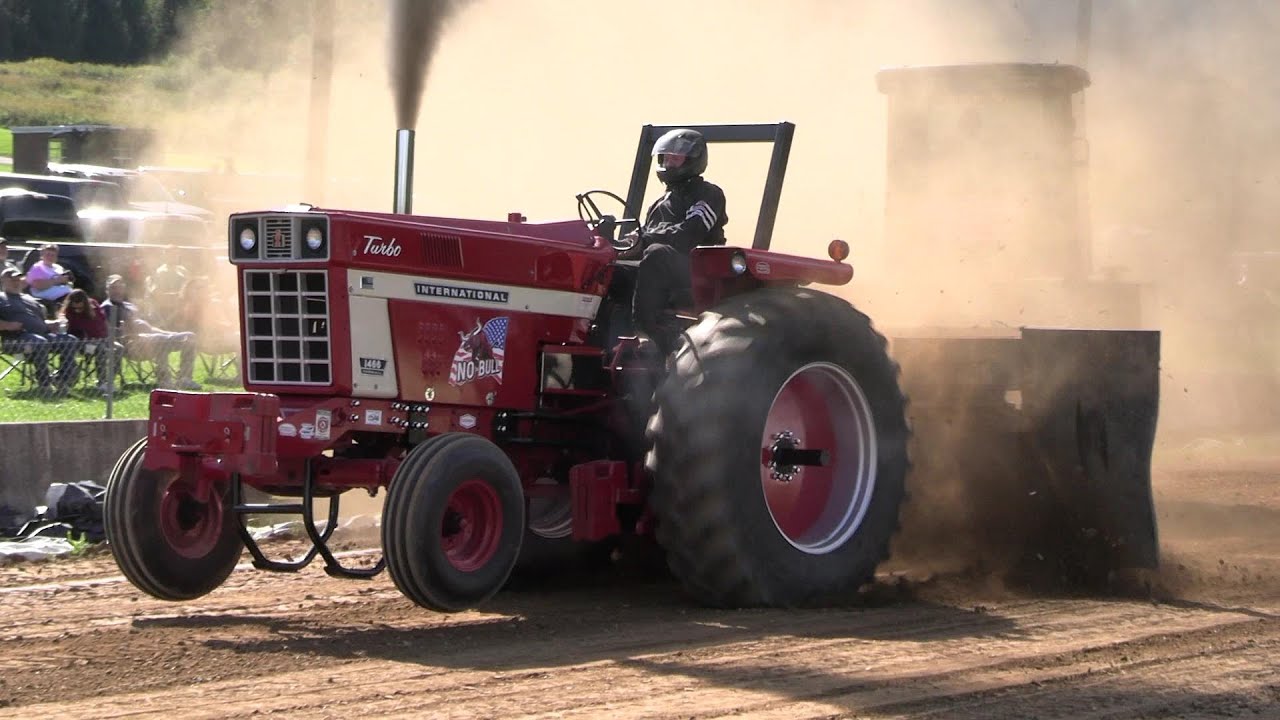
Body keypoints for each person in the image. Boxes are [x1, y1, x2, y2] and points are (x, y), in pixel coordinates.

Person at [617, 128, 728, 354]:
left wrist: (645, 239)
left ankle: (645, 332)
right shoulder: (659, 203)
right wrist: (624, 245)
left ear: (693, 161)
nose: (668, 164)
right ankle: (603, 335)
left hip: (698, 271)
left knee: (657, 253)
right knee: (611, 268)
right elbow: (646, 236)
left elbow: (689, 235)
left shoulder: (709, 194)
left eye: (675, 159)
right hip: (662, 270)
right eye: (666, 158)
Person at [101, 274, 201, 390]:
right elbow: (109, 331)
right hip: (133, 344)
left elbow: (148, 327)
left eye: (120, 287)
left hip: (151, 335)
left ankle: (185, 378)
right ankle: (164, 380)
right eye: (114, 288)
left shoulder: (129, 305)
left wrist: (167, 333)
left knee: (189, 337)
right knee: (160, 341)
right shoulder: (107, 307)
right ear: (107, 290)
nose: (117, 290)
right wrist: (125, 331)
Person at [0, 266, 79, 393]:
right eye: (12, 280)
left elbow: (41, 321)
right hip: (15, 339)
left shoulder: (29, 299)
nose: (16, 282)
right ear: (3, 280)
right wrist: (7, 325)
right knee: (40, 342)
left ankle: (62, 379)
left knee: (69, 340)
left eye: (18, 279)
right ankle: (44, 383)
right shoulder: (1, 298)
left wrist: (52, 324)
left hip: (42, 336)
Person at [61, 289, 123, 394]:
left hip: (103, 339)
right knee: (101, 349)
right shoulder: (69, 313)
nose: (77, 310)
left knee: (119, 348)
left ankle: (111, 379)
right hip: (83, 343)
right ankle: (102, 381)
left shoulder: (94, 305)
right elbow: (72, 331)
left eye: (80, 308)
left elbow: (103, 322)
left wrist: (109, 336)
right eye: (75, 308)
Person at [23, 243, 75, 307]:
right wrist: (57, 280)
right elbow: (37, 286)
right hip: (46, 297)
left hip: (65, 294)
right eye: (48, 254)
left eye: (53, 255)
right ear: (42, 255)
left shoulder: (58, 267)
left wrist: (66, 280)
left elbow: (65, 282)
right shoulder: (38, 267)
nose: (50, 257)